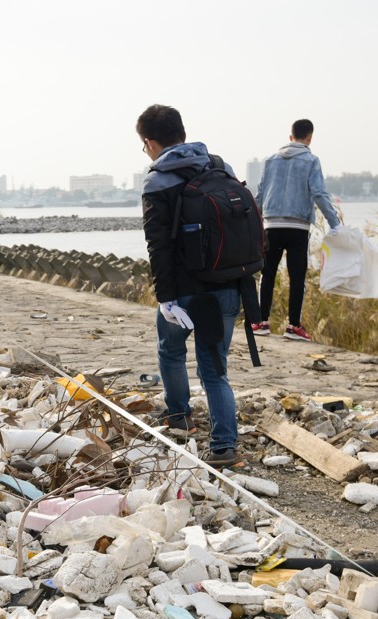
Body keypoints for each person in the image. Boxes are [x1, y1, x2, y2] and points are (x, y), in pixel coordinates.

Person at [137, 104, 242, 467]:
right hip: (228, 285)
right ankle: (225, 446)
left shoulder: (157, 180)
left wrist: (166, 299)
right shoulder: (219, 166)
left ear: (150, 143)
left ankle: (179, 414)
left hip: (183, 292)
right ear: (182, 133)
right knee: (215, 368)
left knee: (171, 351)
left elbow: (158, 247)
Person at [254, 118, 342, 341]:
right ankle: (293, 326)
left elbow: (260, 194)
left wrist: (255, 220)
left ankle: (261, 322)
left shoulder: (270, 160)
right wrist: (335, 223)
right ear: (310, 137)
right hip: (298, 227)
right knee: (297, 277)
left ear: (290, 136)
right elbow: (319, 194)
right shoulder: (311, 160)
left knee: (267, 274)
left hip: (271, 225)